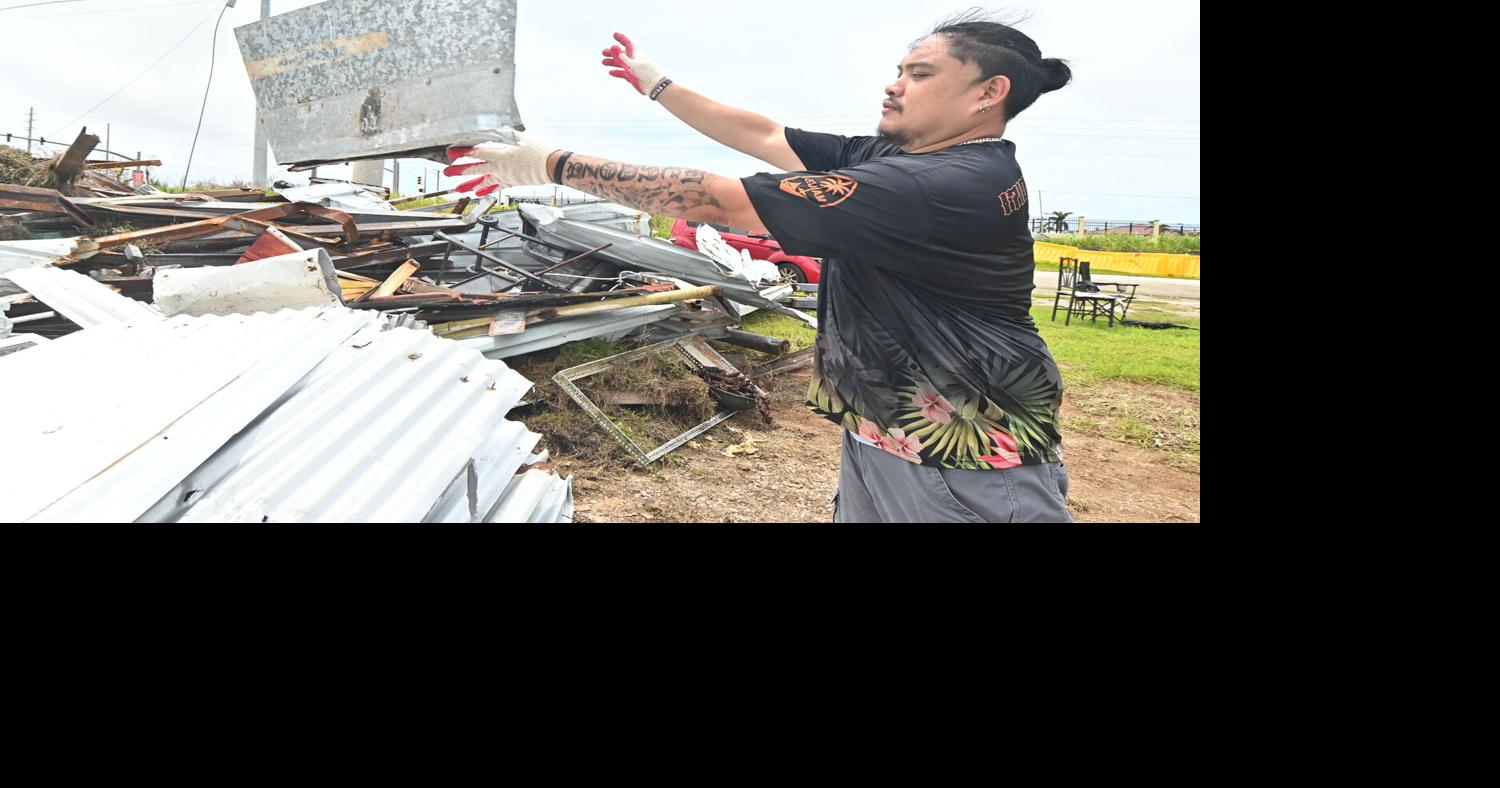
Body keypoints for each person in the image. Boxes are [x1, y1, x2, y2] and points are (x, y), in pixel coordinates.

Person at [446, 11, 1075, 522]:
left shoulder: (936, 185)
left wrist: (552, 165)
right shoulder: (905, 157)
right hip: (891, 427)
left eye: (919, 74)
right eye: (899, 71)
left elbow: (729, 202)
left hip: (963, 456)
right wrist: (658, 85)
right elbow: (767, 134)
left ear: (988, 93)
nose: (893, 84)